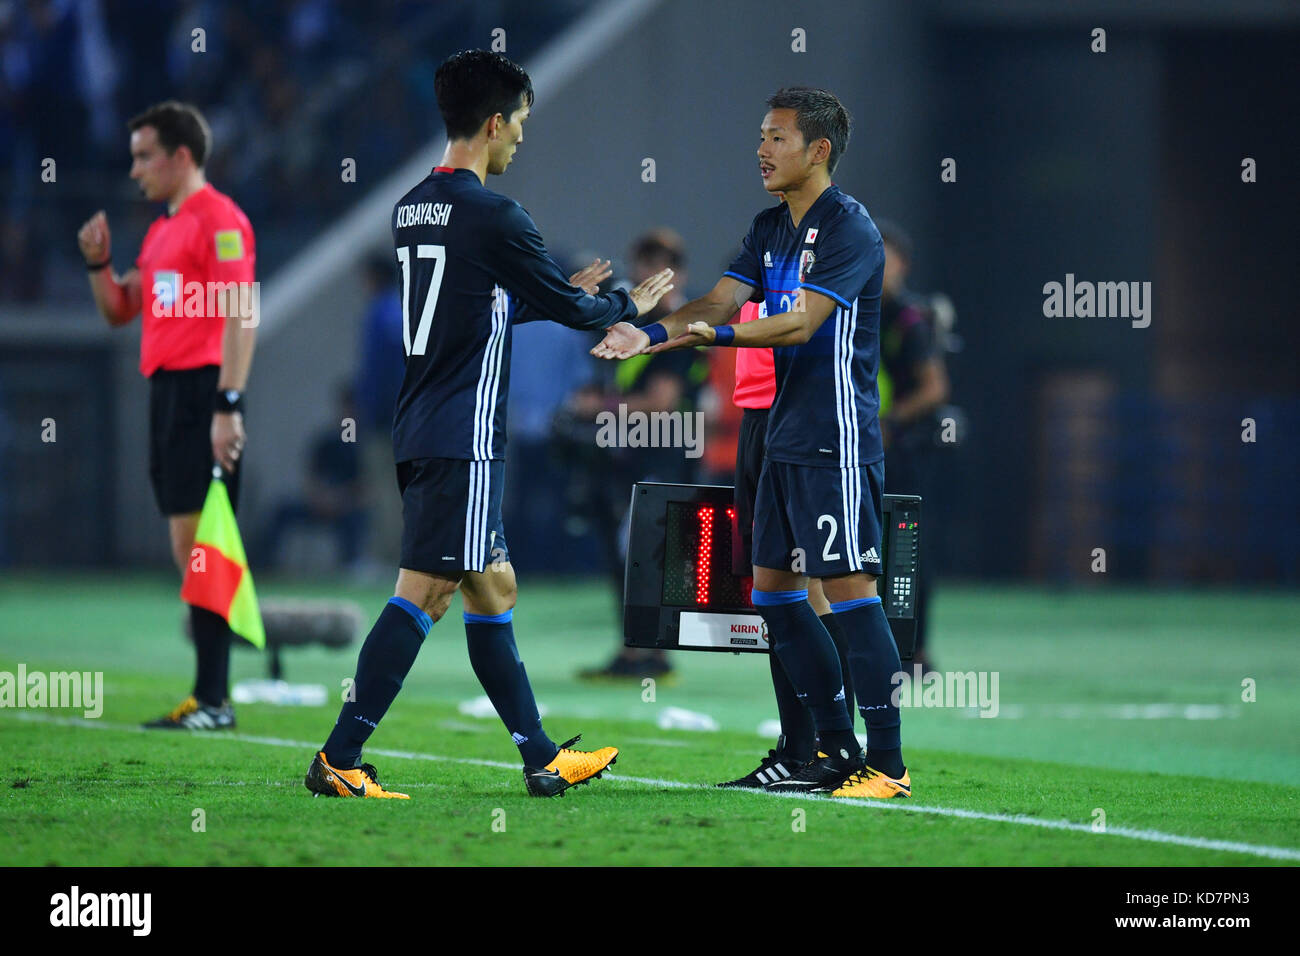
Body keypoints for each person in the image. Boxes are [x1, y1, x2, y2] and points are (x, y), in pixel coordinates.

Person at [303, 50, 674, 799]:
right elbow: (575, 313)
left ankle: (540, 758)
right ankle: (338, 757)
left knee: (493, 588)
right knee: (427, 593)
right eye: (522, 124)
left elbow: (476, 312)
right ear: (496, 121)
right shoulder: (496, 213)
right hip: (462, 435)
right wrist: (631, 306)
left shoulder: (413, 207)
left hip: (423, 424)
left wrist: (552, 291)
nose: (522, 140)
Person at [594, 86, 910, 799]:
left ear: (818, 150)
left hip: (833, 434)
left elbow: (800, 322)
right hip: (777, 434)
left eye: (777, 138)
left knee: (853, 591)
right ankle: (830, 750)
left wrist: (723, 335)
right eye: (762, 137)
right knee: (771, 594)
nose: (762, 150)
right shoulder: (770, 227)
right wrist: (648, 333)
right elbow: (715, 301)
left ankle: (888, 764)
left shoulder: (851, 231)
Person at [77, 100, 257, 730]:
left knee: (201, 542)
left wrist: (227, 404)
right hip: (167, 393)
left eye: (144, 156)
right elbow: (121, 308)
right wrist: (99, 263)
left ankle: (214, 699)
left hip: (204, 391)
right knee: (189, 545)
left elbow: (242, 312)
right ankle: (209, 695)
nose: (135, 171)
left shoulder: (221, 220)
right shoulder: (162, 230)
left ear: (181, 156)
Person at [574, 229, 707, 684]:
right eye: (644, 264)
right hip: (631, 458)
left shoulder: (681, 328)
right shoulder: (631, 328)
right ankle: (636, 650)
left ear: (680, 274)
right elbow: (627, 390)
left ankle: (653, 655)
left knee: (648, 556)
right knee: (630, 555)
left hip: (666, 457)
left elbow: (661, 402)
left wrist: (599, 408)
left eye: (662, 266)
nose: (649, 274)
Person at [876, 220, 950, 673]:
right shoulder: (856, 310)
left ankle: (915, 651)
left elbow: (934, 387)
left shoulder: (908, 317)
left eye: (886, 258)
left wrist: (891, 422)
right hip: (869, 452)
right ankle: (878, 649)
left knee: (909, 552)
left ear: (903, 264)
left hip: (907, 454)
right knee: (870, 553)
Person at [256, 385, 367, 571]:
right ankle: (265, 564)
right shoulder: (325, 442)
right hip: (318, 503)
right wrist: (320, 499)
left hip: (345, 508)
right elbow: (311, 478)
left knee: (359, 518)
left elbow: (364, 485)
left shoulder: (363, 446)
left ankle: (351, 566)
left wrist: (341, 501)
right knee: (281, 510)